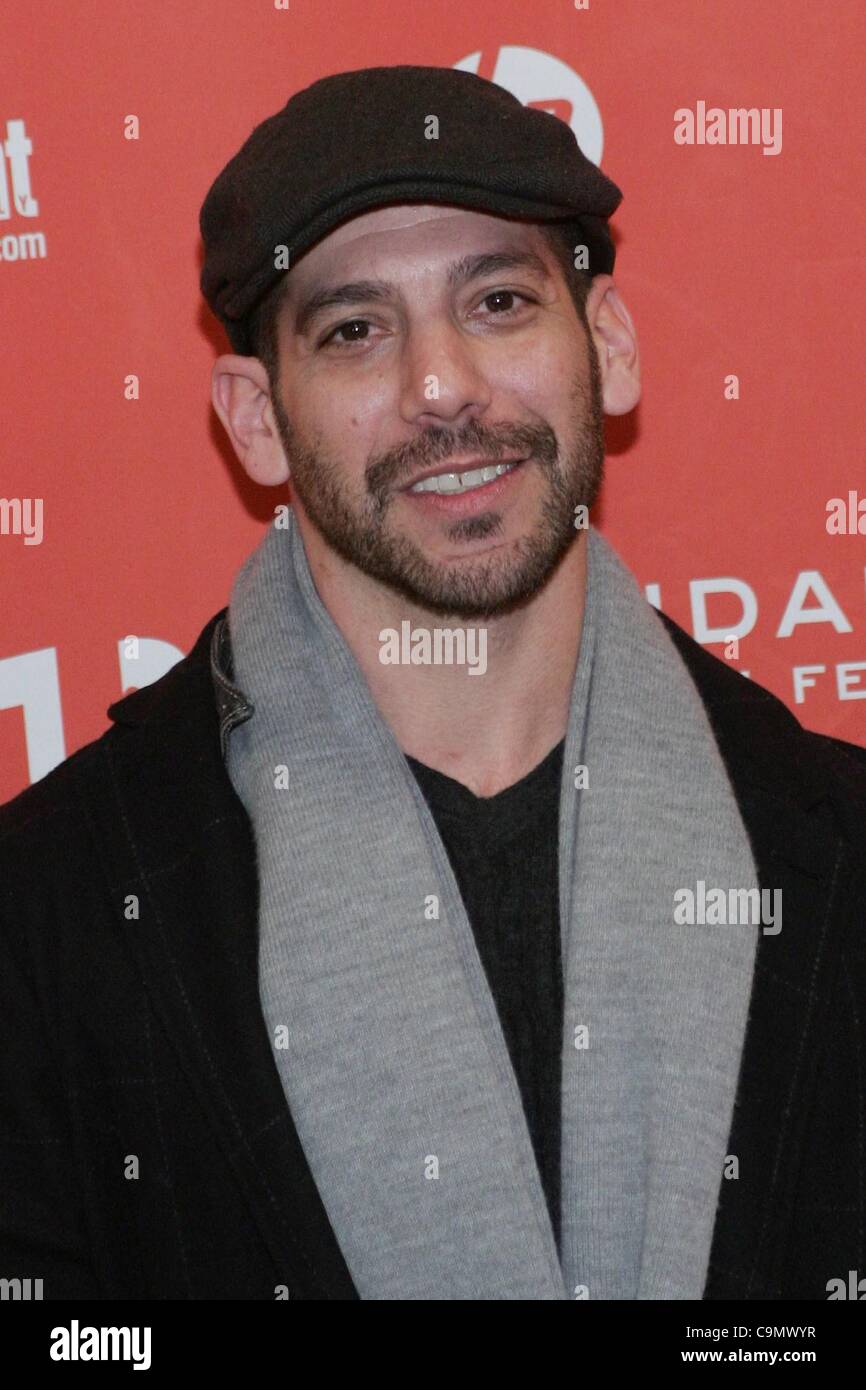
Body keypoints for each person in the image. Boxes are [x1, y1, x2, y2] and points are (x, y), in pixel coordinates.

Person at [1, 65, 864, 1302]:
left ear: (605, 347)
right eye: (355, 330)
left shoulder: (834, 839)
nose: (441, 386)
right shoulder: (50, 915)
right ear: (254, 420)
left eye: (500, 300)